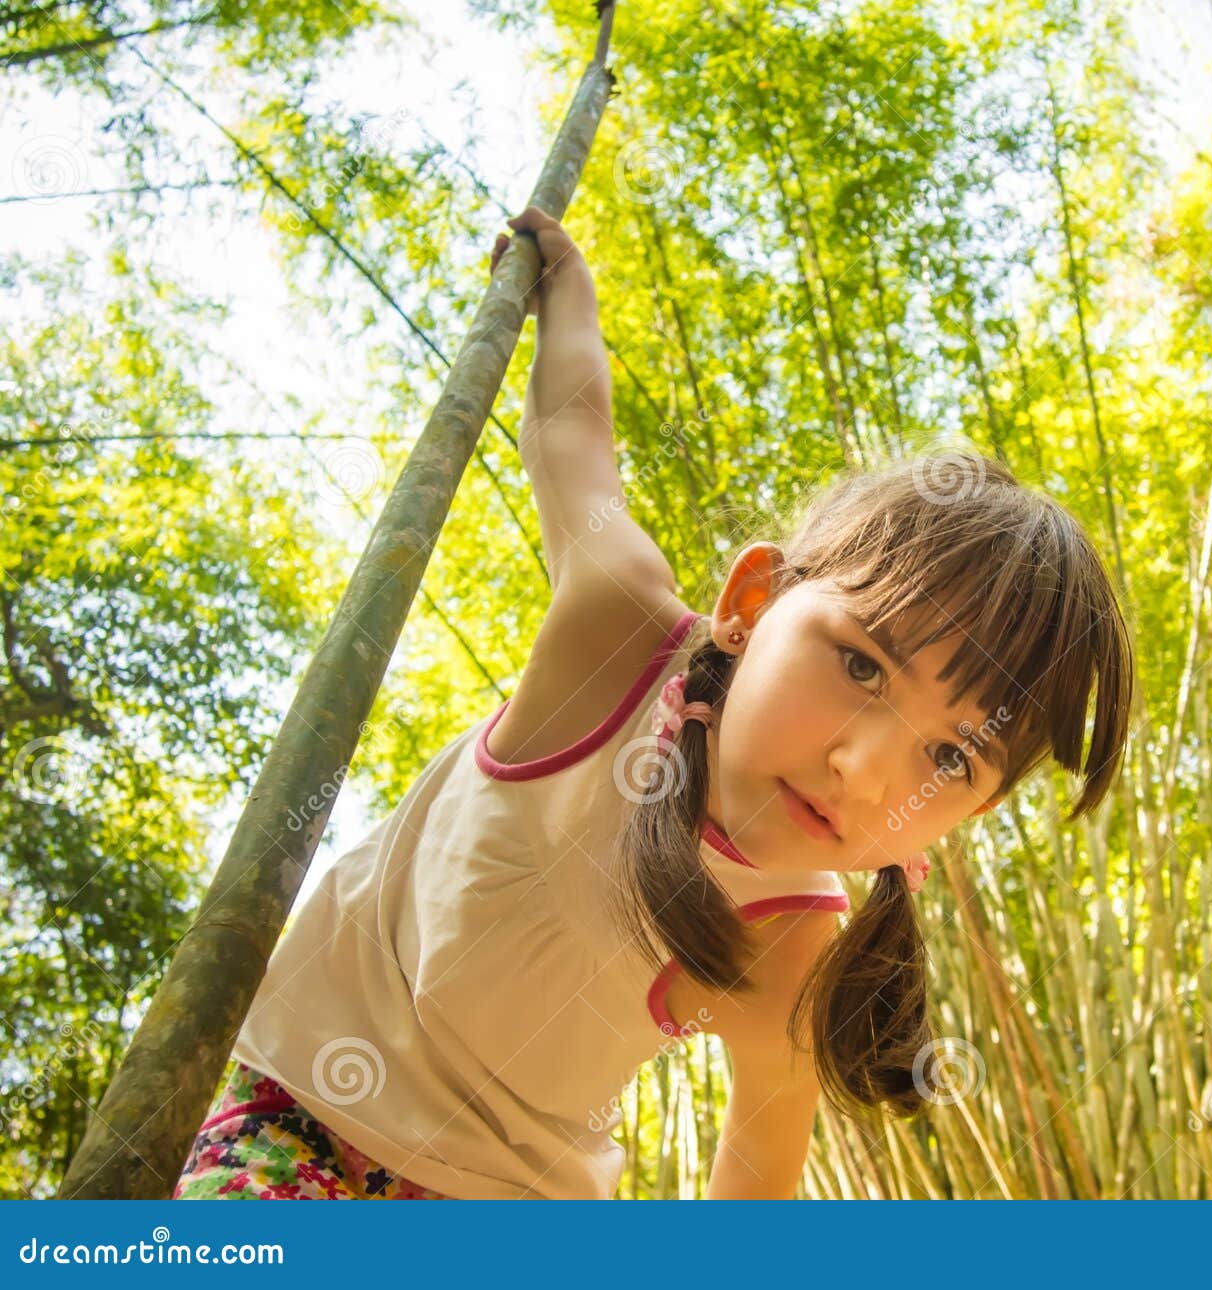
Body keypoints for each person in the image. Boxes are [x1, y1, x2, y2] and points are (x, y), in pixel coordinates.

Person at [172, 206, 1134, 1201]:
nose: (861, 768)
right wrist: (565, 290)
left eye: (945, 760)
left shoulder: (794, 941)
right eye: (859, 666)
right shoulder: (618, 637)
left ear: (964, 817)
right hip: (297, 1109)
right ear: (752, 604)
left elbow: (756, 1184)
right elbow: (570, 439)